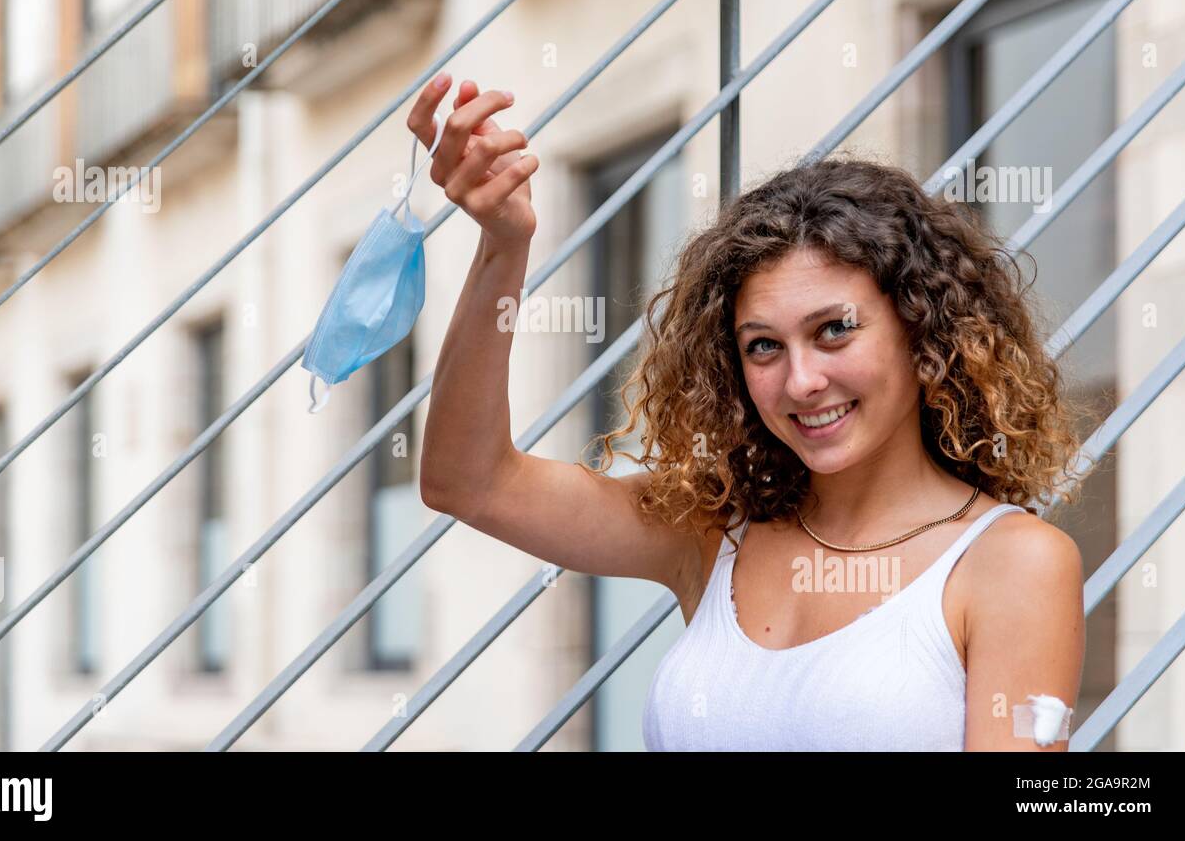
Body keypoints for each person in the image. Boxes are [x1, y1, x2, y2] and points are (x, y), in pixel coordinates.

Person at [409, 72, 1088, 751]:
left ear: (923, 336)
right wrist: (504, 244)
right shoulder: (712, 533)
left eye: (834, 330)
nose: (801, 380)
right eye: (763, 345)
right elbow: (468, 481)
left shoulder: (1013, 563)